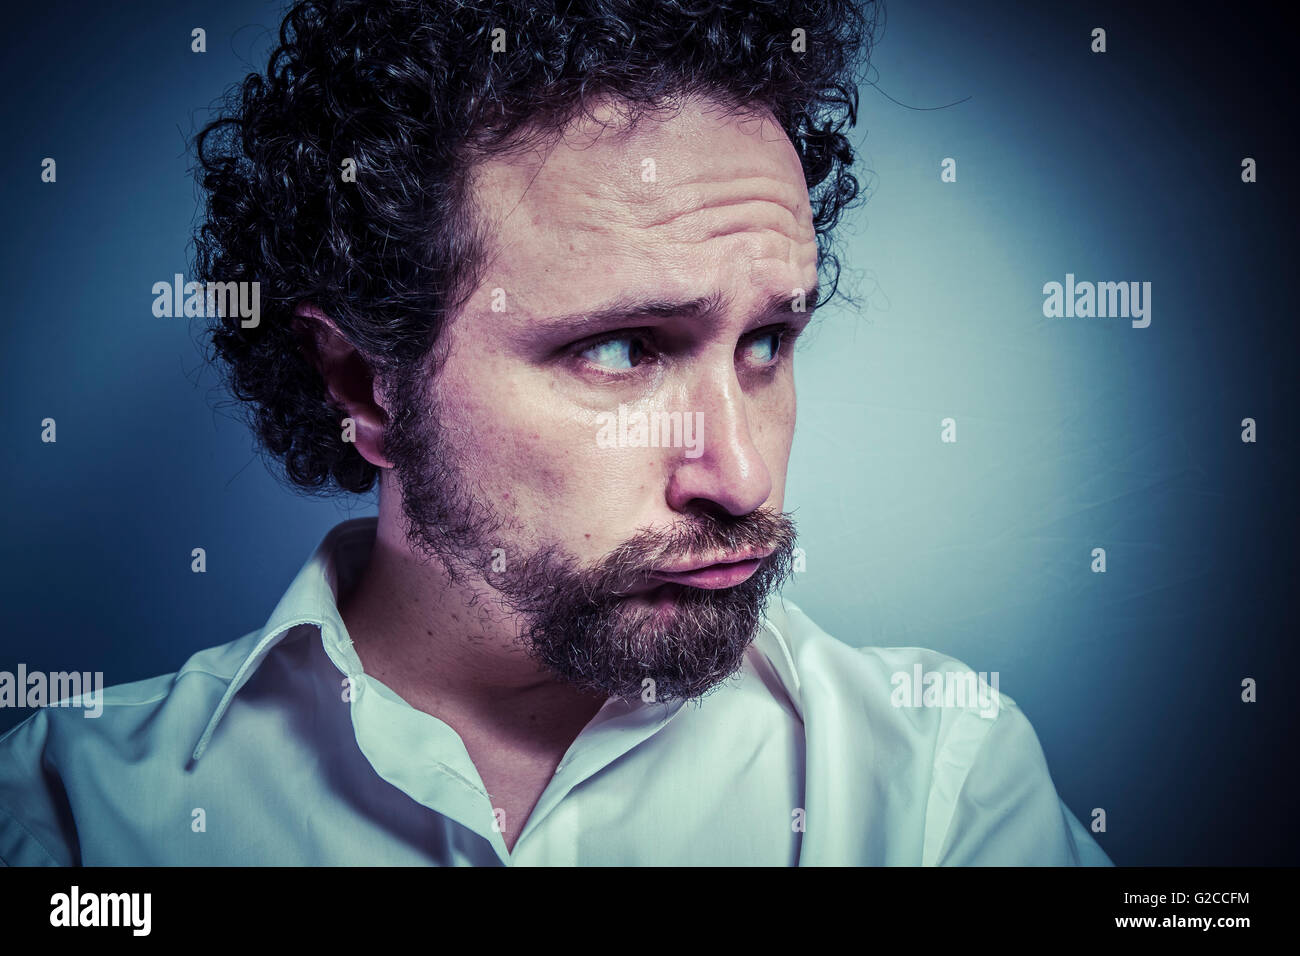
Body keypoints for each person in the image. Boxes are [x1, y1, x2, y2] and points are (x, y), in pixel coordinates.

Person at [0, 0, 1110, 866]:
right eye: (624, 348)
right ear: (364, 381)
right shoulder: (79, 810)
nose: (740, 472)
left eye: (767, 341)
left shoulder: (934, 790)